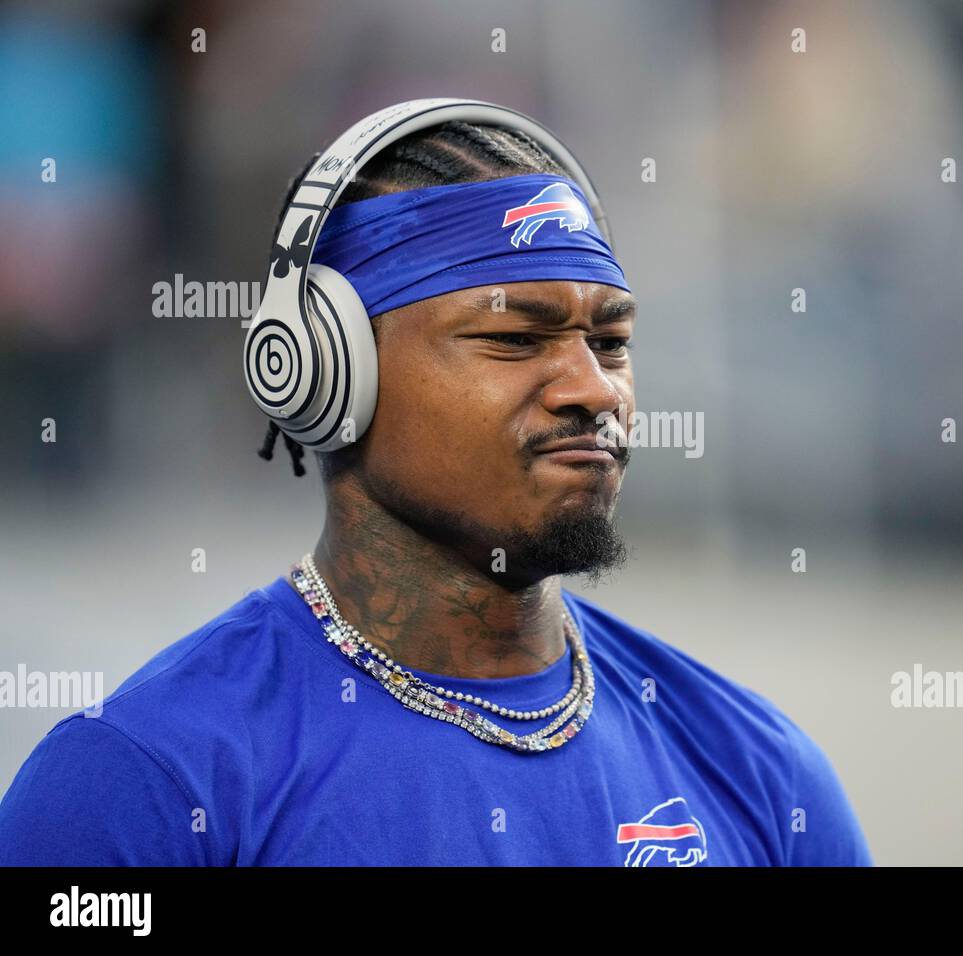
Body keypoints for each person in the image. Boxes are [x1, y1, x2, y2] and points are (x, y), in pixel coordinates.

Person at [0, 110, 872, 866]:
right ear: (324, 373)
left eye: (609, 342)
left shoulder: (763, 775)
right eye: (514, 339)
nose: (595, 389)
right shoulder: (144, 784)